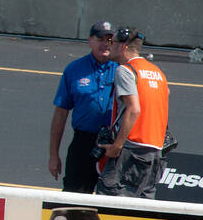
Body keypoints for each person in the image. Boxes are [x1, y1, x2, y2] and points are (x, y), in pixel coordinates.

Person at [96, 27, 168, 199]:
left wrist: (116, 146)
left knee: (110, 200)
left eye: (112, 42)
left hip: (132, 150)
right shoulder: (158, 73)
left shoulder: (126, 70)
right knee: (143, 208)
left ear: (123, 47)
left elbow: (134, 109)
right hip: (155, 153)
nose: (108, 46)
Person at [48, 21, 117, 193]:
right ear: (90, 41)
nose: (105, 44)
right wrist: (53, 155)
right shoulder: (74, 69)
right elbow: (61, 113)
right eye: (100, 39)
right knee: (74, 196)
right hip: (83, 143)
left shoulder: (123, 68)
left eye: (110, 40)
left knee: (112, 201)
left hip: (113, 145)